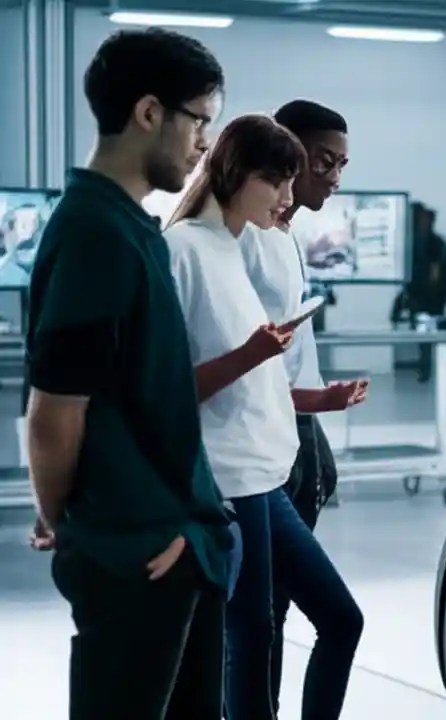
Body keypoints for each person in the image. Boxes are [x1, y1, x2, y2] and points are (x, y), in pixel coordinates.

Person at [24, 27, 233, 719]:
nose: (206, 142)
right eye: (200, 120)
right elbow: (54, 411)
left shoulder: (130, 226)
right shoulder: (94, 233)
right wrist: (77, 525)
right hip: (140, 555)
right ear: (150, 113)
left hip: (179, 543)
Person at [163, 113, 367, 720]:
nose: (290, 196)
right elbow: (163, 388)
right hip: (227, 480)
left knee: (337, 620)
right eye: (279, 181)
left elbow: (262, 380)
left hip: (266, 475)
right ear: (235, 173)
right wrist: (253, 353)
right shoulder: (183, 251)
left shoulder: (233, 245)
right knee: (252, 637)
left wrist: (316, 398)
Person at [239, 98, 367, 717]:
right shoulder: (239, 238)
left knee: (281, 610)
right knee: (259, 615)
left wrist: (317, 405)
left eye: (342, 165)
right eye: (324, 161)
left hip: (294, 429)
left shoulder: (285, 235)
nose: (334, 178)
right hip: (257, 441)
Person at [394, 202, 446, 382]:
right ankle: (427, 365)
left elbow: (438, 273)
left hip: (431, 296)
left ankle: (427, 366)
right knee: (424, 332)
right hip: (423, 294)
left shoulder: (433, 244)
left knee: (427, 332)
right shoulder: (421, 242)